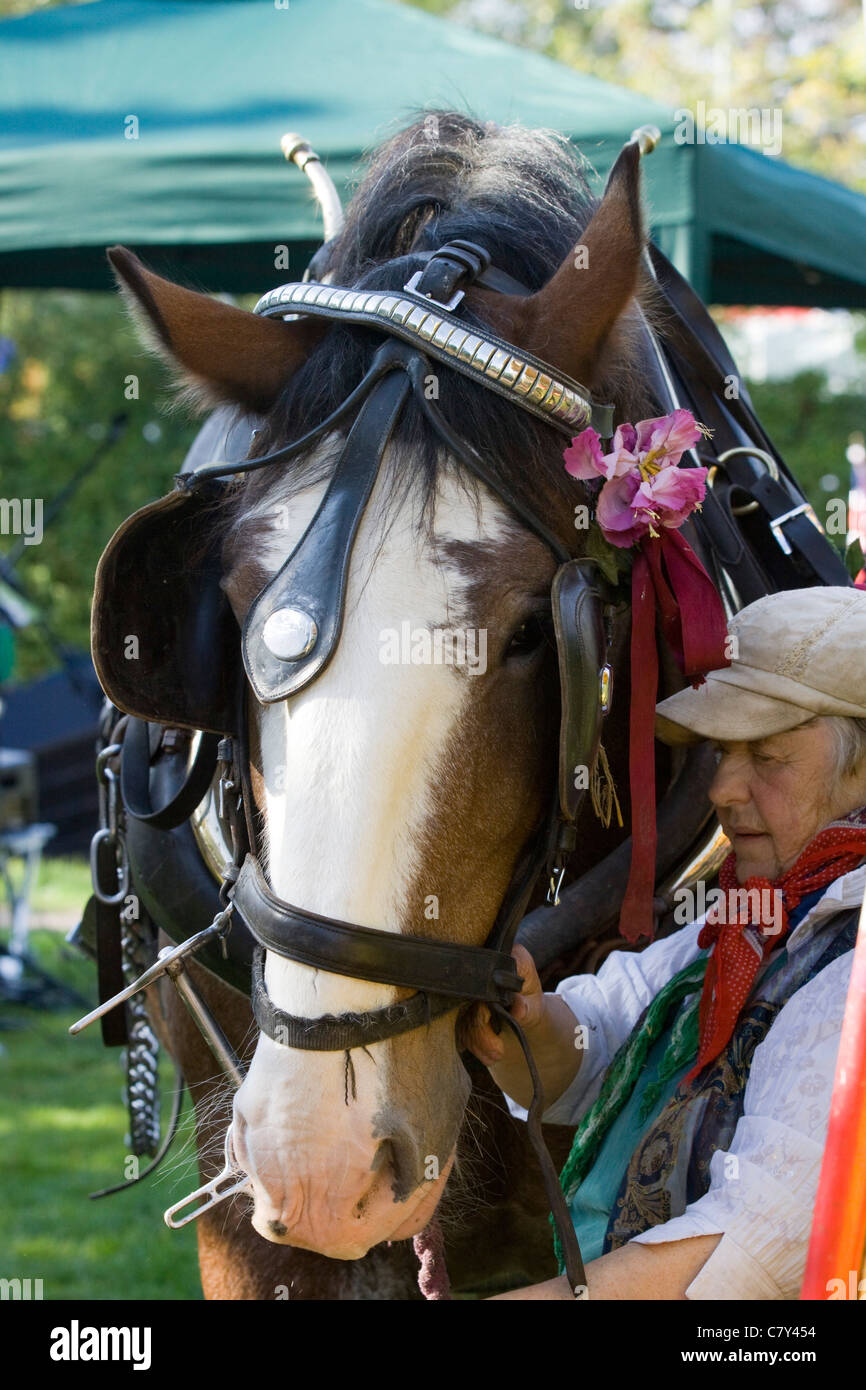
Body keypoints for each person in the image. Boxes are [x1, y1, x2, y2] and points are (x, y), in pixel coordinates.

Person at [464, 585, 866, 1299]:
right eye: (722, 753)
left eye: (766, 756)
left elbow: (750, 1249)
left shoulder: (852, 961)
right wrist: (524, 1022)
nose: (723, 788)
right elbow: (603, 1035)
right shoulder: (755, 917)